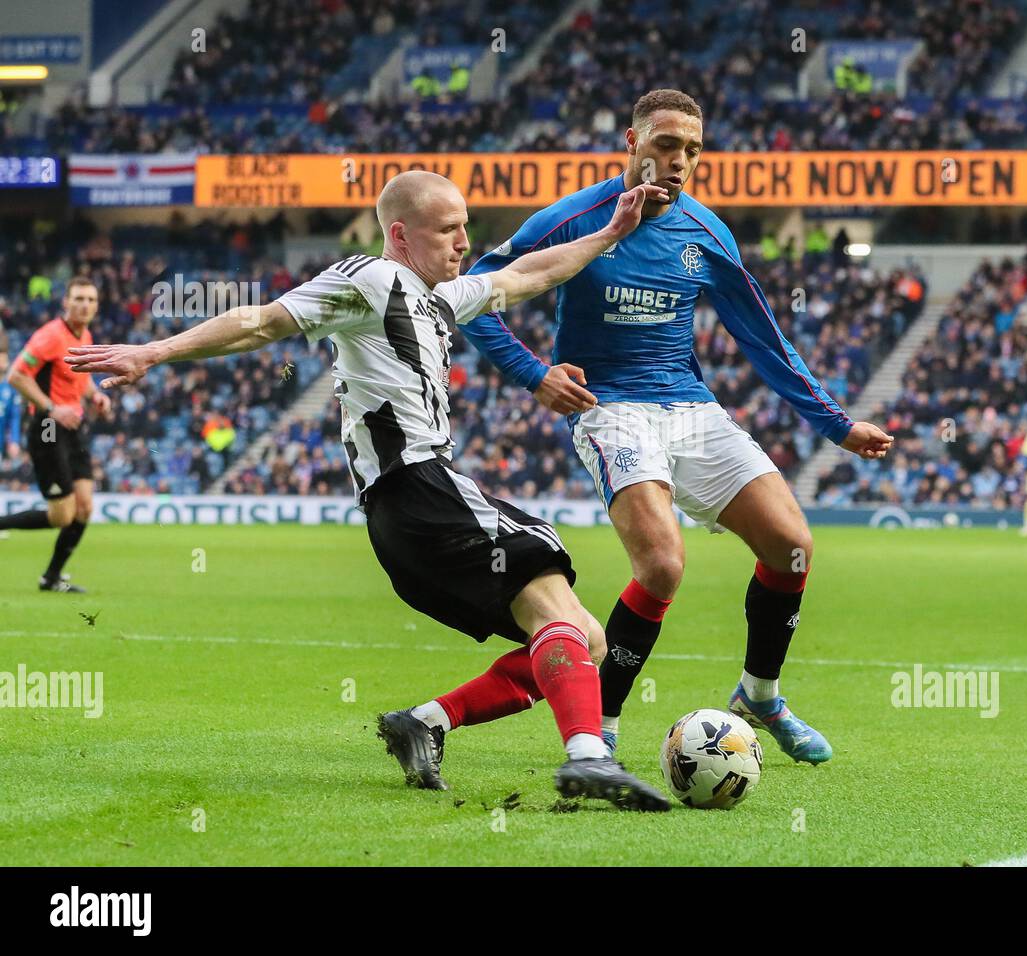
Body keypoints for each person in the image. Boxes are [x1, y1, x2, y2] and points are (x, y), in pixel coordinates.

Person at [67, 171, 672, 811]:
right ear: (401, 235)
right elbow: (259, 322)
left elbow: (527, 275)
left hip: (412, 510)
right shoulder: (370, 279)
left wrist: (608, 234)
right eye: (448, 229)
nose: (464, 241)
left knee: (586, 638)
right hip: (419, 489)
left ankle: (426, 722)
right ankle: (587, 758)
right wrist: (155, 352)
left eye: (466, 227)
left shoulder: (439, 298)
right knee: (555, 605)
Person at [462, 89, 894, 763]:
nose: (680, 160)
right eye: (666, 145)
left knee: (791, 545)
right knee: (662, 565)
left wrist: (836, 426)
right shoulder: (576, 218)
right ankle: (600, 726)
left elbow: (762, 337)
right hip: (611, 407)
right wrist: (532, 373)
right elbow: (477, 291)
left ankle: (759, 693)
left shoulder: (707, 232)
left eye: (692, 149)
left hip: (689, 405)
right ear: (632, 145)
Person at [0, 277, 112, 591]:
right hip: (48, 427)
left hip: (73, 428)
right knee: (62, 515)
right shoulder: (49, 336)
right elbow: (16, 375)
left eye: (90, 299)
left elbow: (79, 379)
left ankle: (51, 578)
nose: (85, 305)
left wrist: (95, 396)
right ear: (66, 302)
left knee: (85, 507)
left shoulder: (85, 335)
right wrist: (52, 408)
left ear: (97, 305)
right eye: (78, 298)